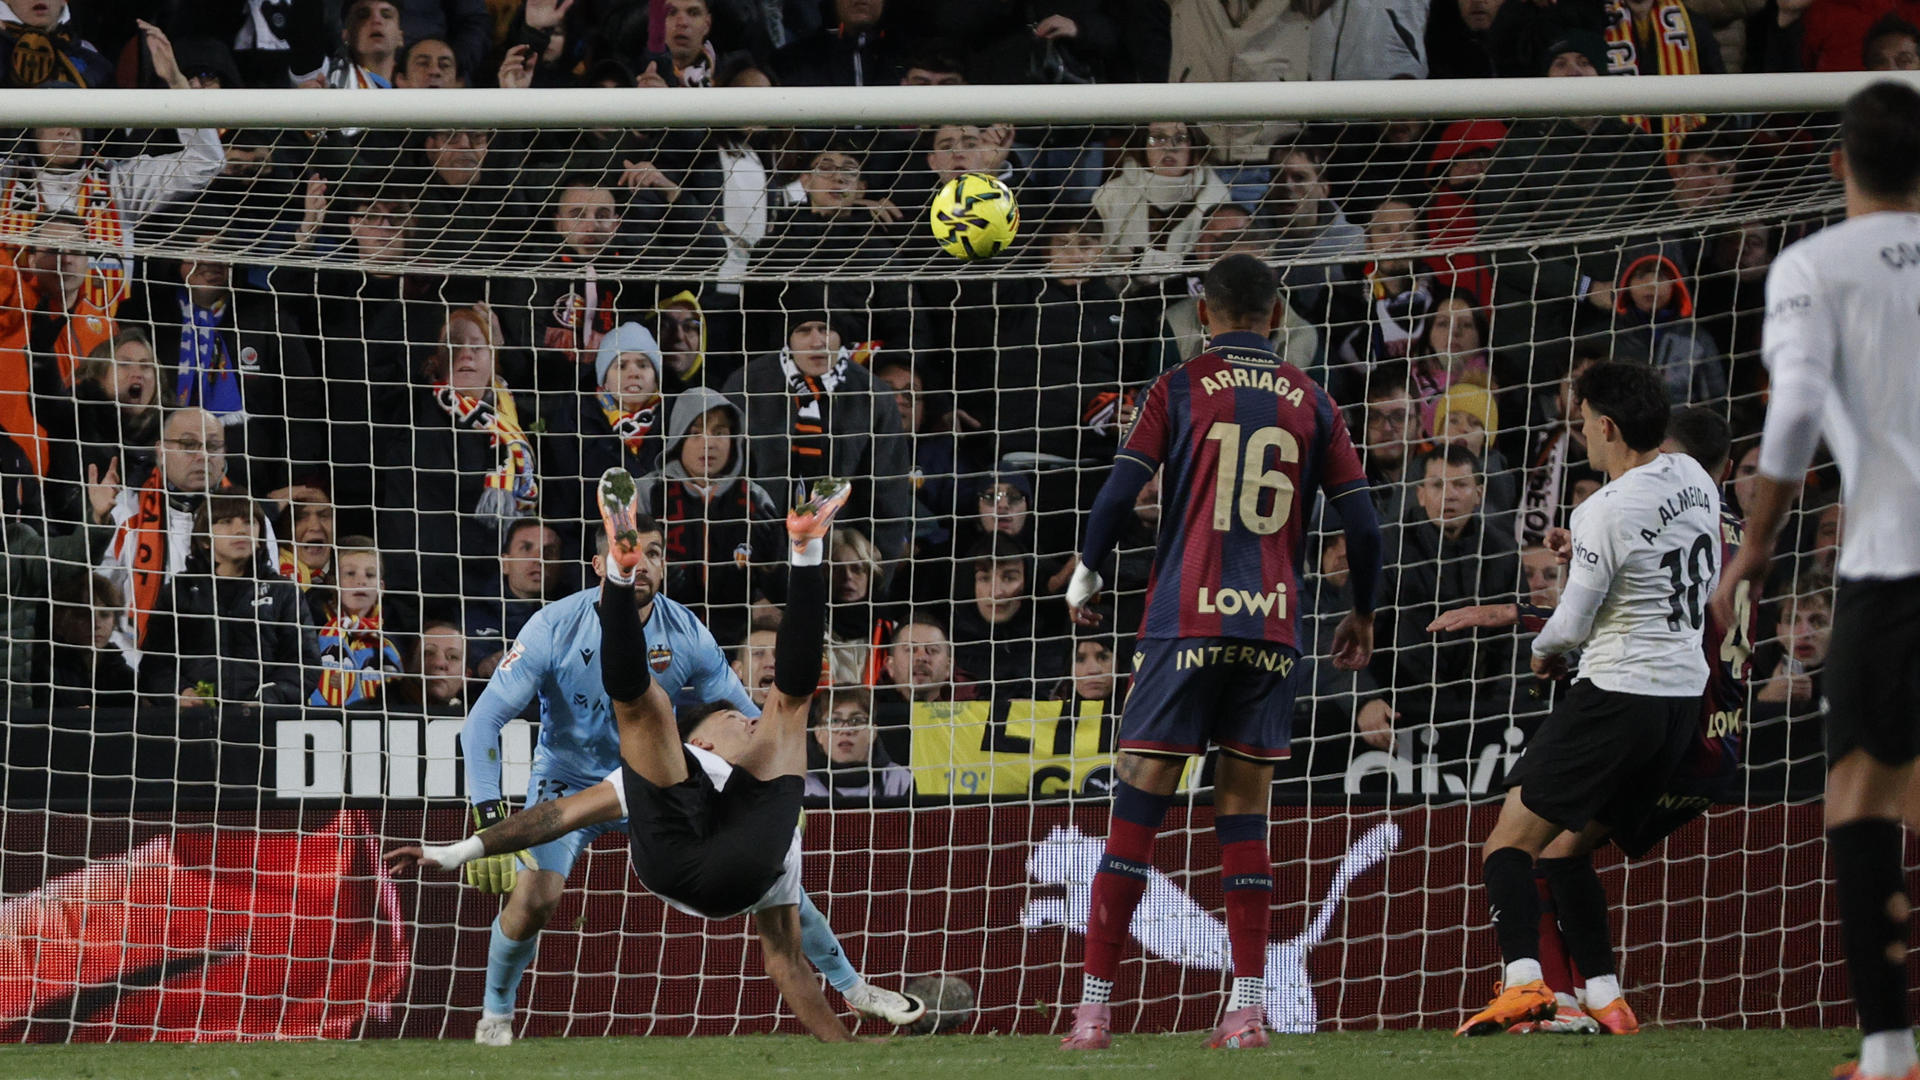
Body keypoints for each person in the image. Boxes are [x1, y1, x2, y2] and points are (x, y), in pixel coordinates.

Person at [394, 471, 925, 1042]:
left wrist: (770, 775)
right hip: (572, 777)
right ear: (600, 565)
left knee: (780, 880)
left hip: (659, 777)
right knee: (534, 901)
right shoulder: (551, 627)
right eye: (629, 553)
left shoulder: (687, 632)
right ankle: (496, 1016)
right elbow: (482, 724)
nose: (644, 562)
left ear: (664, 566)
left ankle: (852, 987)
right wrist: (487, 812)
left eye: (653, 552)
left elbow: (747, 708)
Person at [1057, 254, 1383, 1050]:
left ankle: (1096, 1010)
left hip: (1185, 625)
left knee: (1136, 811)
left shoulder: (1178, 385)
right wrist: (1364, 616)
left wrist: (1086, 575)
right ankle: (1244, 1009)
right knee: (1244, 821)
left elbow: (1115, 492)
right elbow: (1366, 528)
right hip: (1271, 632)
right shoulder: (1315, 400)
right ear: (1278, 316)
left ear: (1206, 314)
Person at [1709, 81, 1920, 1080]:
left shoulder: (1813, 266)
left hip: (1893, 562)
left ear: (1838, 164)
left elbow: (1792, 409)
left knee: (1862, 794)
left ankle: (1886, 1053)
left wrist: (1755, 543)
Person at [1431, 404, 1755, 1034]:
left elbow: (1631, 616)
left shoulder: (1672, 519)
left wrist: (1523, 618)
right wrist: (1583, 550)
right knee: (1560, 852)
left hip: (1668, 721)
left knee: (1519, 843)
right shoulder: (1727, 528)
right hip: (1718, 740)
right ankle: (1600, 998)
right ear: (1730, 467)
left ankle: (1538, 994)